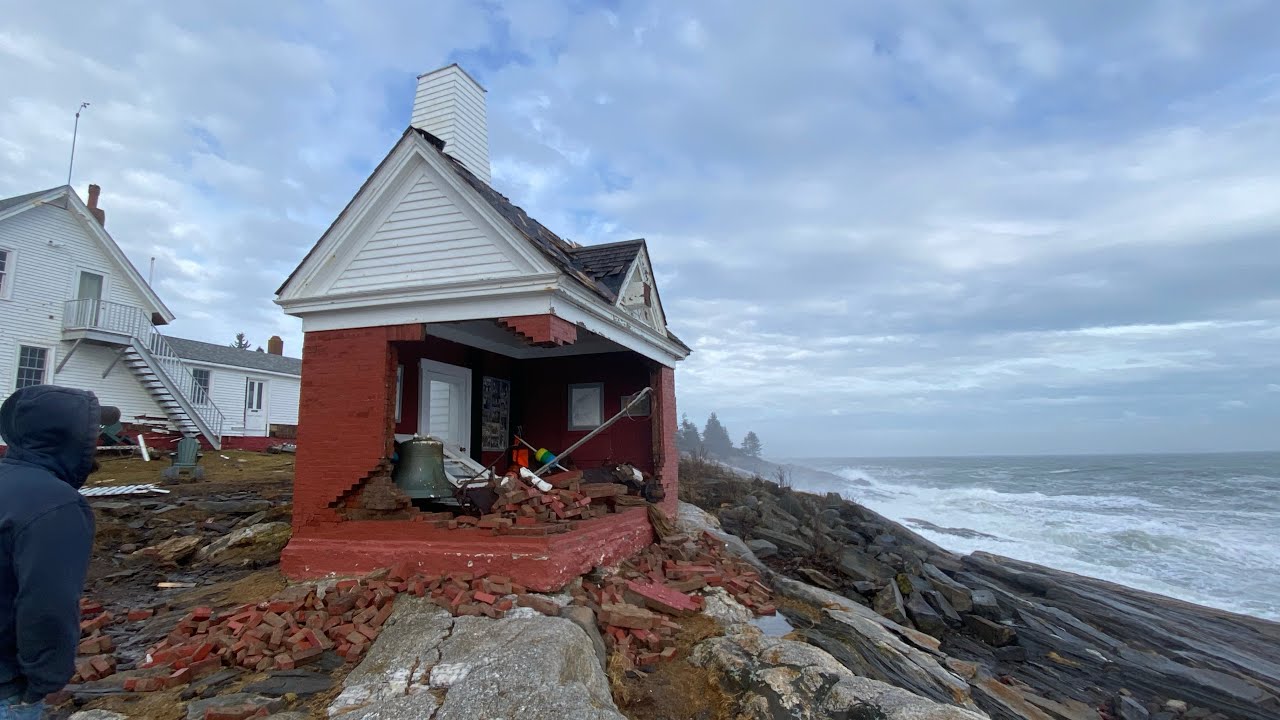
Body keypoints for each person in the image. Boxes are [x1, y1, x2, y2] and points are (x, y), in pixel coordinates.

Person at [0, 386, 100, 718]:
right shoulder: (56, 504)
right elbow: (47, 603)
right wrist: (44, 679)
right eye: (92, 431)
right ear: (72, 437)